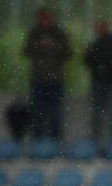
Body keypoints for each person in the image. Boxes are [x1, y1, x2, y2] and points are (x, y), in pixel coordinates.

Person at [23, 7, 73, 140]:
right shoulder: (34, 32)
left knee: (56, 112)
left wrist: (54, 46)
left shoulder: (59, 33)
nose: (45, 21)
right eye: (42, 18)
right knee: (37, 111)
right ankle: (38, 140)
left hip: (55, 79)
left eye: (47, 18)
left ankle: (56, 140)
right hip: (38, 79)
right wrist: (38, 45)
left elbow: (68, 53)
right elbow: (26, 51)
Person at [83, 20, 112, 147]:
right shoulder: (95, 45)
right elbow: (88, 61)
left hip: (110, 83)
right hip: (98, 82)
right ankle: (96, 141)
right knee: (97, 114)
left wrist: (111, 74)